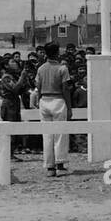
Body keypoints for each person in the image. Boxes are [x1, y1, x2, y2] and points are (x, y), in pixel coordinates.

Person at [36, 43, 72, 178]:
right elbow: (65, 89)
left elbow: (38, 87)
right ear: (57, 53)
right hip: (58, 100)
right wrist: (69, 107)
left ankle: (50, 166)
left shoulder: (41, 68)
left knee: (47, 135)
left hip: (44, 100)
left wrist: (40, 101)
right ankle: (60, 164)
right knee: (60, 134)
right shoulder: (62, 68)